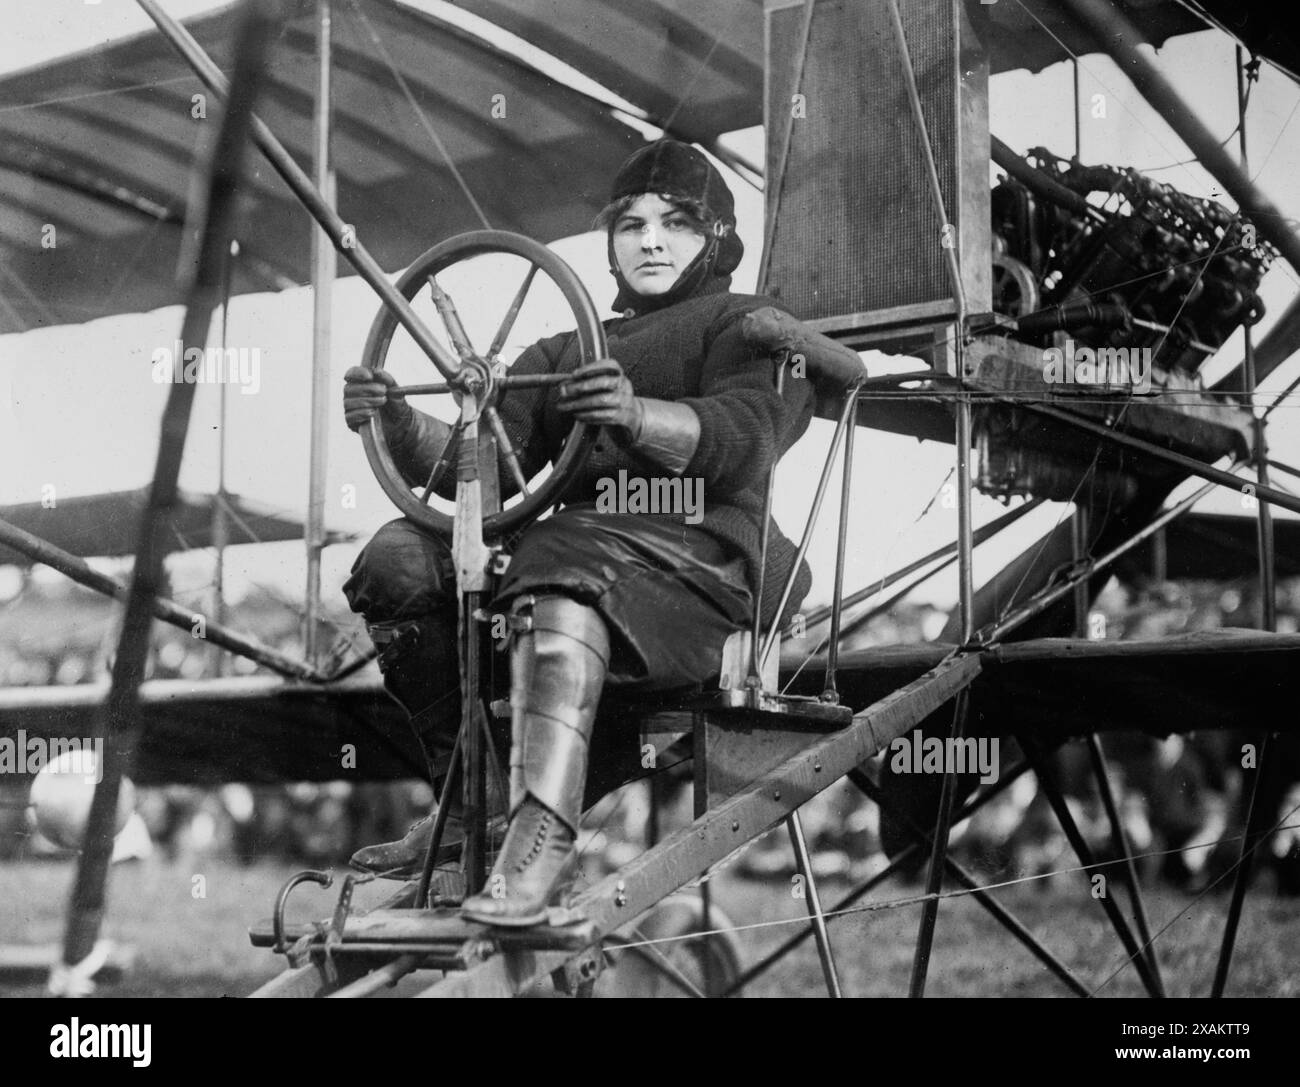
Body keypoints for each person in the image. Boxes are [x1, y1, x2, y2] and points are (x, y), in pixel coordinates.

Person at [341, 139, 813, 926]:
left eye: (676, 223)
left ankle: (537, 841)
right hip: (576, 570)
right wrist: (393, 416)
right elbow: (480, 464)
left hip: (700, 577)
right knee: (397, 558)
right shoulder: (567, 349)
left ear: (720, 240)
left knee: (557, 551)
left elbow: (744, 437)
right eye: (630, 225)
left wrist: (635, 416)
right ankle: (469, 804)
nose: (650, 240)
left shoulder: (748, 324)